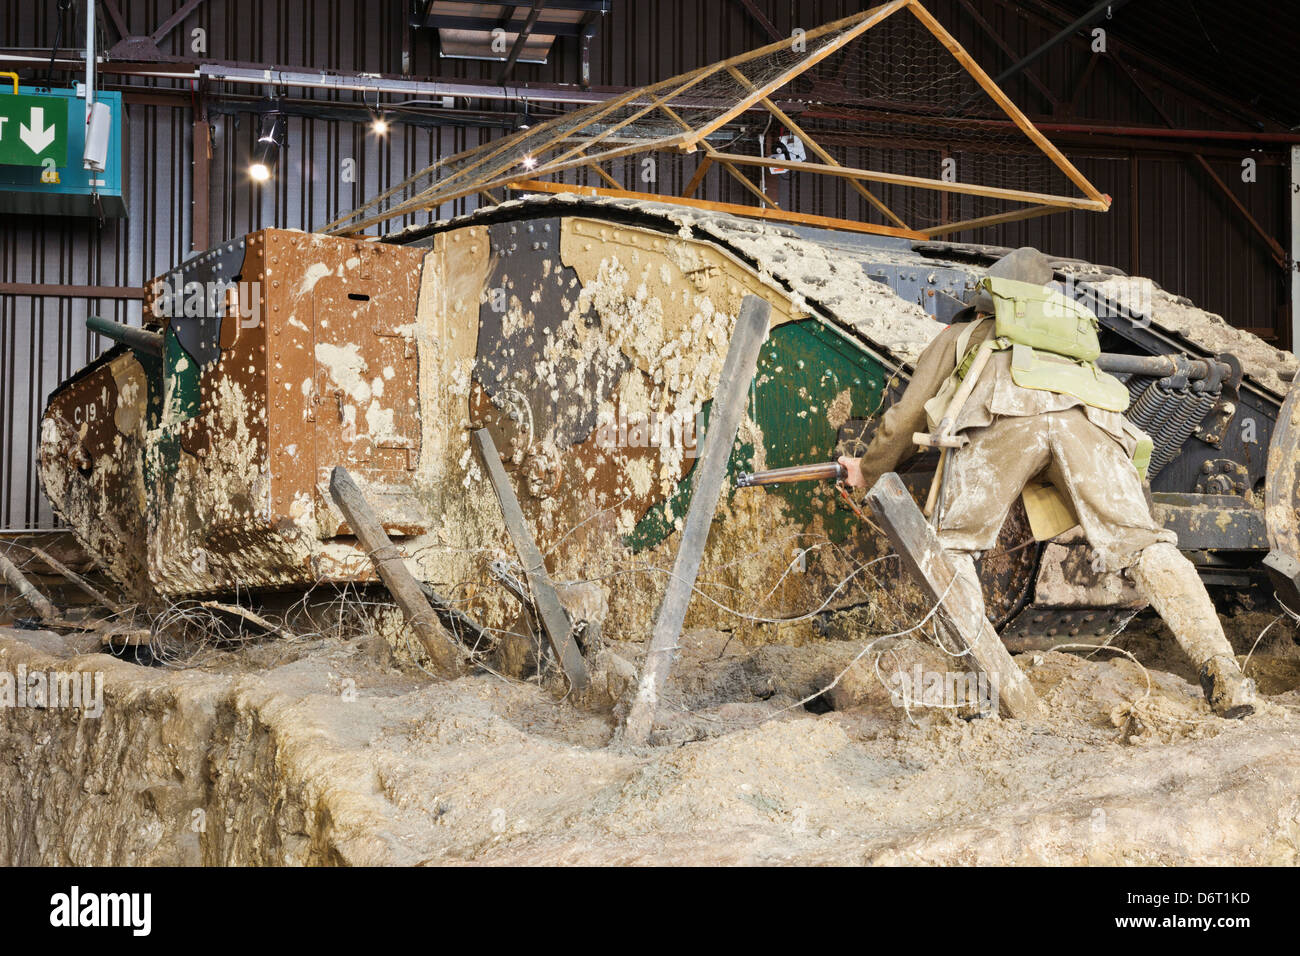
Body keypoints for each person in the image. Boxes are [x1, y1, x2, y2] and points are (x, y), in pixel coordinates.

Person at [839, 247, 1255, 718]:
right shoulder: (1069, 335)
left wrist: (869, 469)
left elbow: (907, 416)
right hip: (1094, 427)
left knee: (953, 547)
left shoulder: (967, 330)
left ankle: (980, 690)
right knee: (1145, 544)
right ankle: (1225, 673)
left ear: (989, 296)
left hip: (1003, 417)